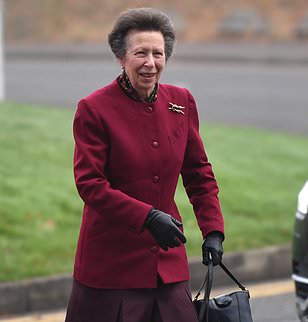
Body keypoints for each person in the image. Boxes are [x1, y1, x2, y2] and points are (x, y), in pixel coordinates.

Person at [65, 7, 224, 322]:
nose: (150, 63)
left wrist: (213, 229)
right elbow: (90, 184)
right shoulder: (94, 109)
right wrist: (148, 218)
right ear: (121, 57)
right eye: (140, 53)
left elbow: (199, 174)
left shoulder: (182, 103)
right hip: (111, 267)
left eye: (158, 53)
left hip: (167, 265)